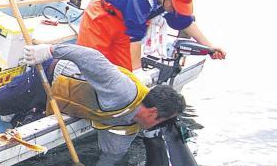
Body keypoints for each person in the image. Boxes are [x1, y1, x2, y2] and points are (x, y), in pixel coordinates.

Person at [20, 42, 186, 157]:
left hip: (60, 102)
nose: (163, 127)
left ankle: (33, 110)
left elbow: (113, 153)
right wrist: (49, 50)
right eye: (163, 121)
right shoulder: (121, 90)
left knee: (24, 118)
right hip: (50, 74)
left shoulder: (128, 129)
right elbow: (89, 55)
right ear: (153, 112)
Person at [77, 0, 225, 85]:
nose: (175, 10)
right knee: (93, 66)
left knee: (124, 74)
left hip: (123, 24)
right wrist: (139, 74)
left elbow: (185, 23)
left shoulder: (167, 1)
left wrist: (210, 48)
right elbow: (135, 39)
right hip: (100, 18)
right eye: (175, 5)